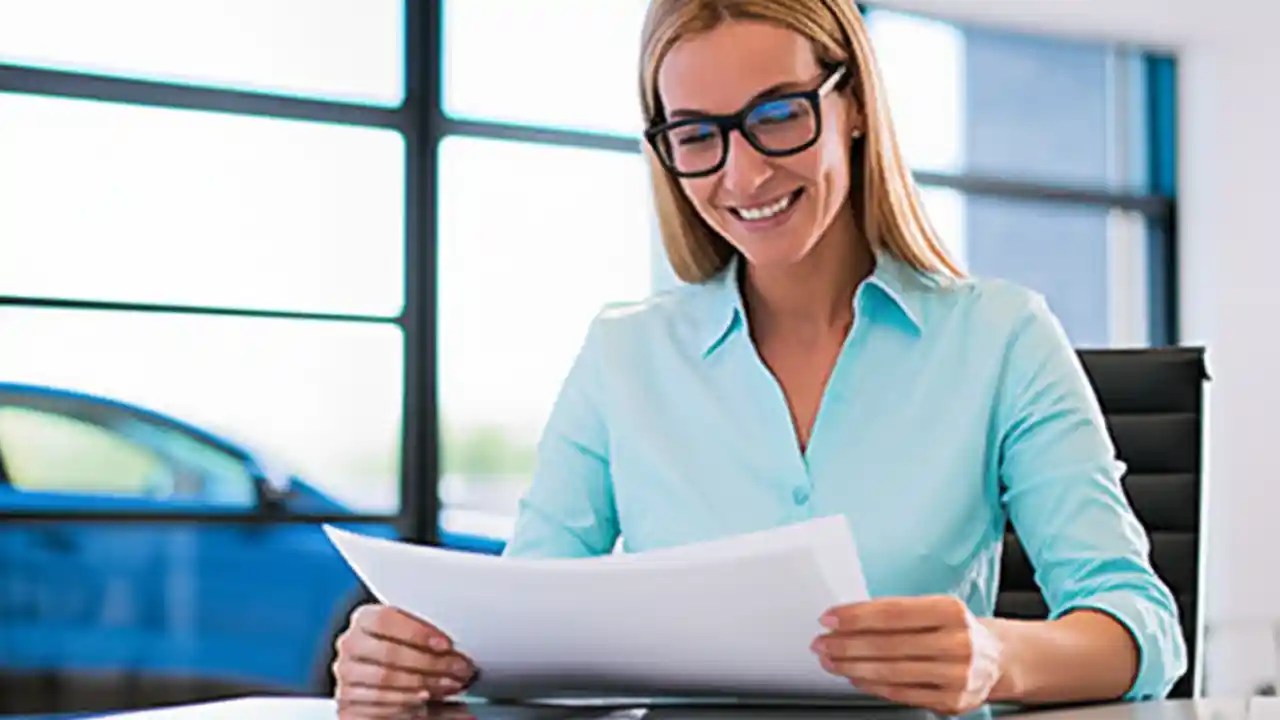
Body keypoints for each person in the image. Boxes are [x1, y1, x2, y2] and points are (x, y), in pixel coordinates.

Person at [331, 0, 1187, 716]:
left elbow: (1142, 627)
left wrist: (998, 653)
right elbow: (528, 631)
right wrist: (416, 663)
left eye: (778, 115)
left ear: (851, 107)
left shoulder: (1001, 338)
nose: (742, 176)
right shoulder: (624, 355)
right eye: (697, 135)